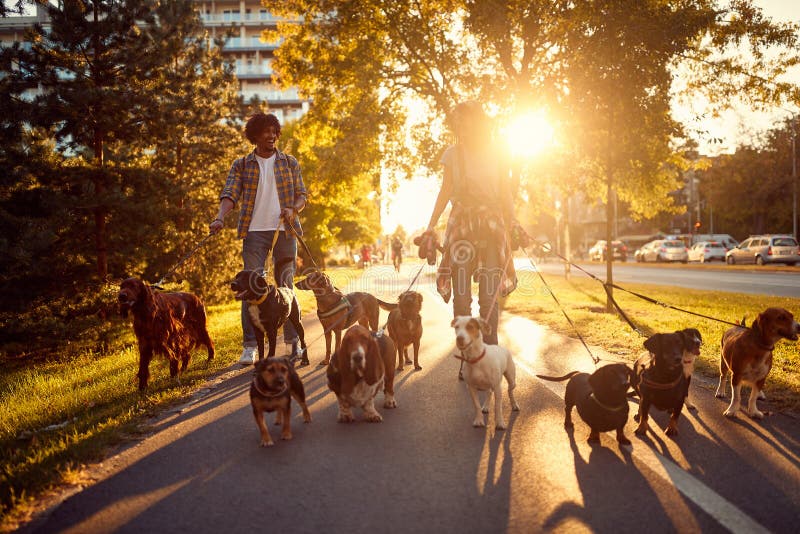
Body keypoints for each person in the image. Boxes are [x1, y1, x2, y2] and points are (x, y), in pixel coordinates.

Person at [423, 100, 521, 361]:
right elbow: (445, 191)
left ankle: (490, 353)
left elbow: (505, 192)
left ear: (478, 122)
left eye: (465, 121)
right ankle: (467, 354)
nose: (461, 126)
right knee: (462, 299)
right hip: (462, 228)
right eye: (458, 122)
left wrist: (514, 221)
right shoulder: (453, 154)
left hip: (491, 227)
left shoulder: (499, 152)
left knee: (488, 298)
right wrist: (431, 225)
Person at [209, 112, 308, 366]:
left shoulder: (289, 162)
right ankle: (251, 346)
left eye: (274, 131)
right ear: (255, 136)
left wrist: (293, 209)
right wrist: (220, 217)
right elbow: (230, 193)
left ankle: (292, 343)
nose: (272, 135)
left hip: (285, 231)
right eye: (266, 131)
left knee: (286, 285)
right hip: (253, 233)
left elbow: (302, 196)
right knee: (248, 287)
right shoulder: (242, 165)